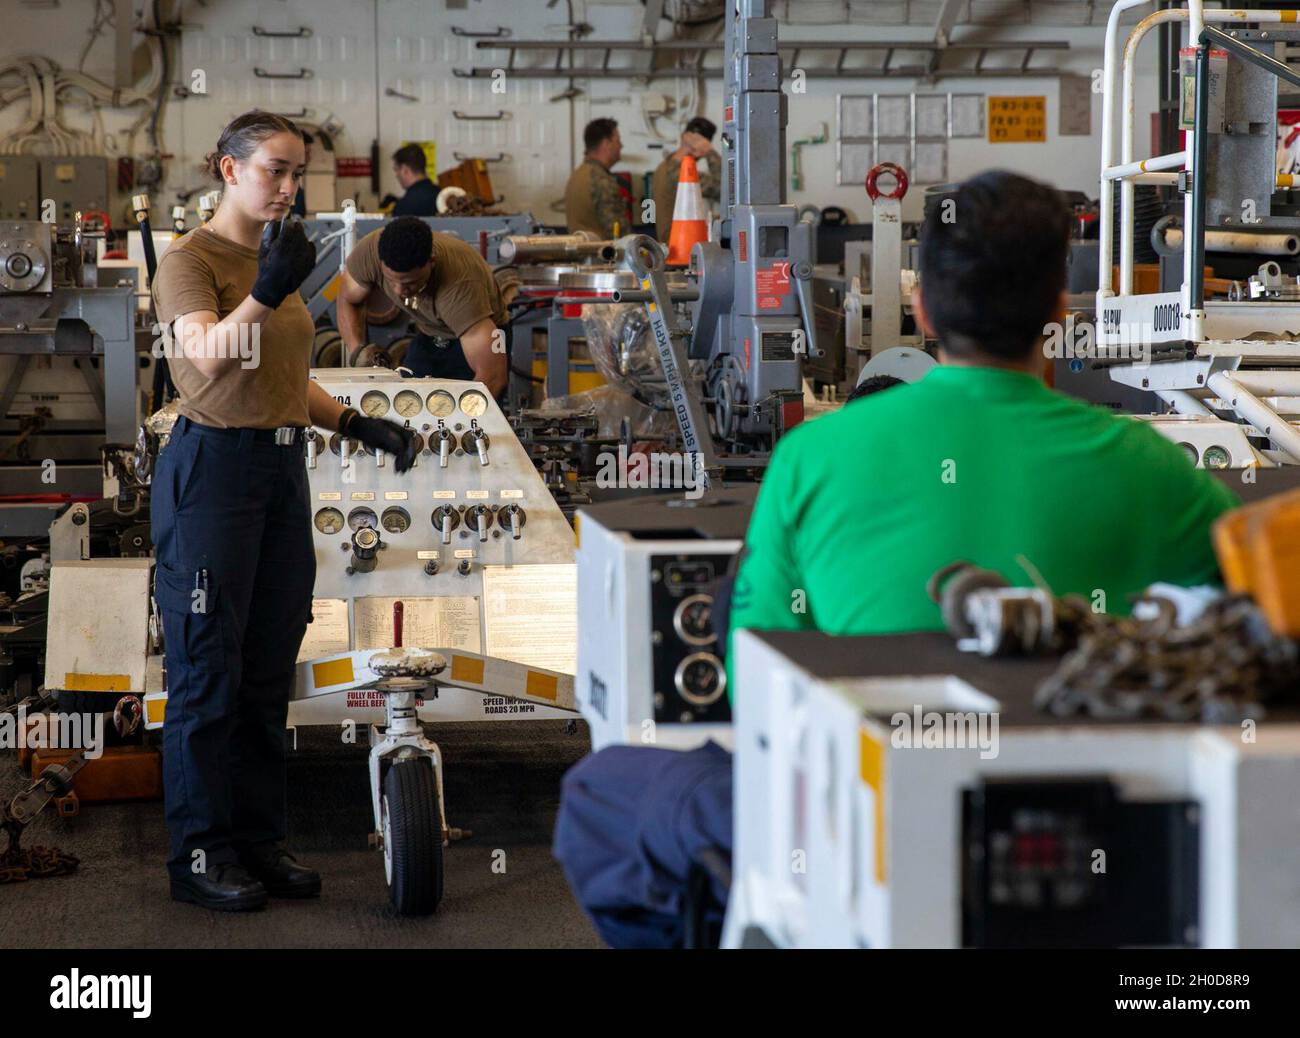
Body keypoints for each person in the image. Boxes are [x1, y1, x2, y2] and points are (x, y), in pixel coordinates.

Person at [553, 170, 1241, 948]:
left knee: (604, 796)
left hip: (863, 815)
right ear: (1058, 307)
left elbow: (753, 676)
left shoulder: (817, 455)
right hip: (1104, 835)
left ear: (920, 307)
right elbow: (1244, 642)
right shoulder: (1153, 467)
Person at [151, 110, 419, 912]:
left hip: (278, 472)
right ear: (228, 169)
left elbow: (278, 376)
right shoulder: (190, 262)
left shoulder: (278, 257)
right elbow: (204, 359)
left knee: (268, 672)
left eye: (298, 172)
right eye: (275, 169)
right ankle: (200, 852)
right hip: (212, 477)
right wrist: (267, 291)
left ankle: (257, 841)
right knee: (207, 671)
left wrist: (352, 421)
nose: (290, 187)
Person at [335, 216, 509, 395]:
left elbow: (493, 377)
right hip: (430, 334)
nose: (399, 291)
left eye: (410, 283)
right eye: (391, 280)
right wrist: (358, 350)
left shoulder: (460, 284)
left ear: (431, 263)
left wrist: (460, 418)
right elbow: (347, 298)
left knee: (462, 408)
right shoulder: (370, 251)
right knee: (407, 400)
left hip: (473, 336)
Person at [651, 116, 722, 243]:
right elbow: (725, 190)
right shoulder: (682, 174)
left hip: (674, 244)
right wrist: (710, 152)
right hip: (681, 246)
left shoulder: (664, 167)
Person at [565, 118, 630, 240]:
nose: (621, 146)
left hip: (582, 254)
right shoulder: (601, 180)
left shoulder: (577, 175)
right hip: (602, 256)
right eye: (618, 141)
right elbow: (618, 233)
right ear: (606, 144)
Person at [389, 143, 438, 217]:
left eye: (396, 170)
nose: (396, 175)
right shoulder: (441, 197)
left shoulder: (405, 205)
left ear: (405, 169)